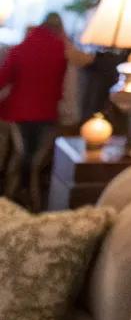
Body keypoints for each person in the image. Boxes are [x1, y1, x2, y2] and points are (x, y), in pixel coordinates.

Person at [0, 13, 93, 198]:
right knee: (36, 159)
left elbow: (3, 79)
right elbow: (72, 84)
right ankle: (32, 197)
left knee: (20, 155)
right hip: (47, 114)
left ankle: (11, 196)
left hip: (17, 113)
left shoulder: (20, 49)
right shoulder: (63, 51)